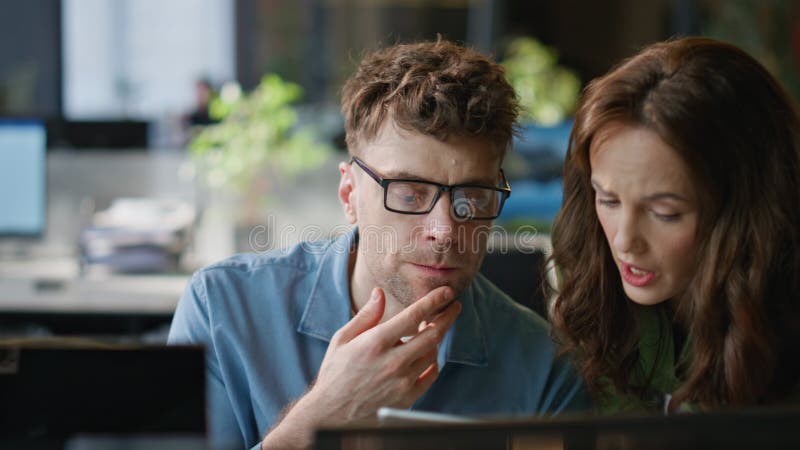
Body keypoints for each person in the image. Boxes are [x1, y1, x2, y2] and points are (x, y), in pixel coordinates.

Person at [169, 39, 589, 450]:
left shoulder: (544, 370)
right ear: (349, 194)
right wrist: (316, 423)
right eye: (409, 193)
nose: (444, 230)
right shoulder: (222, 310)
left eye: (472, 198)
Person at [548, 36, 800, 413]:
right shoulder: (589, 263)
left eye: (664, 213)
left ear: (745, 212)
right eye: (609, 200)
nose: (624, 241)